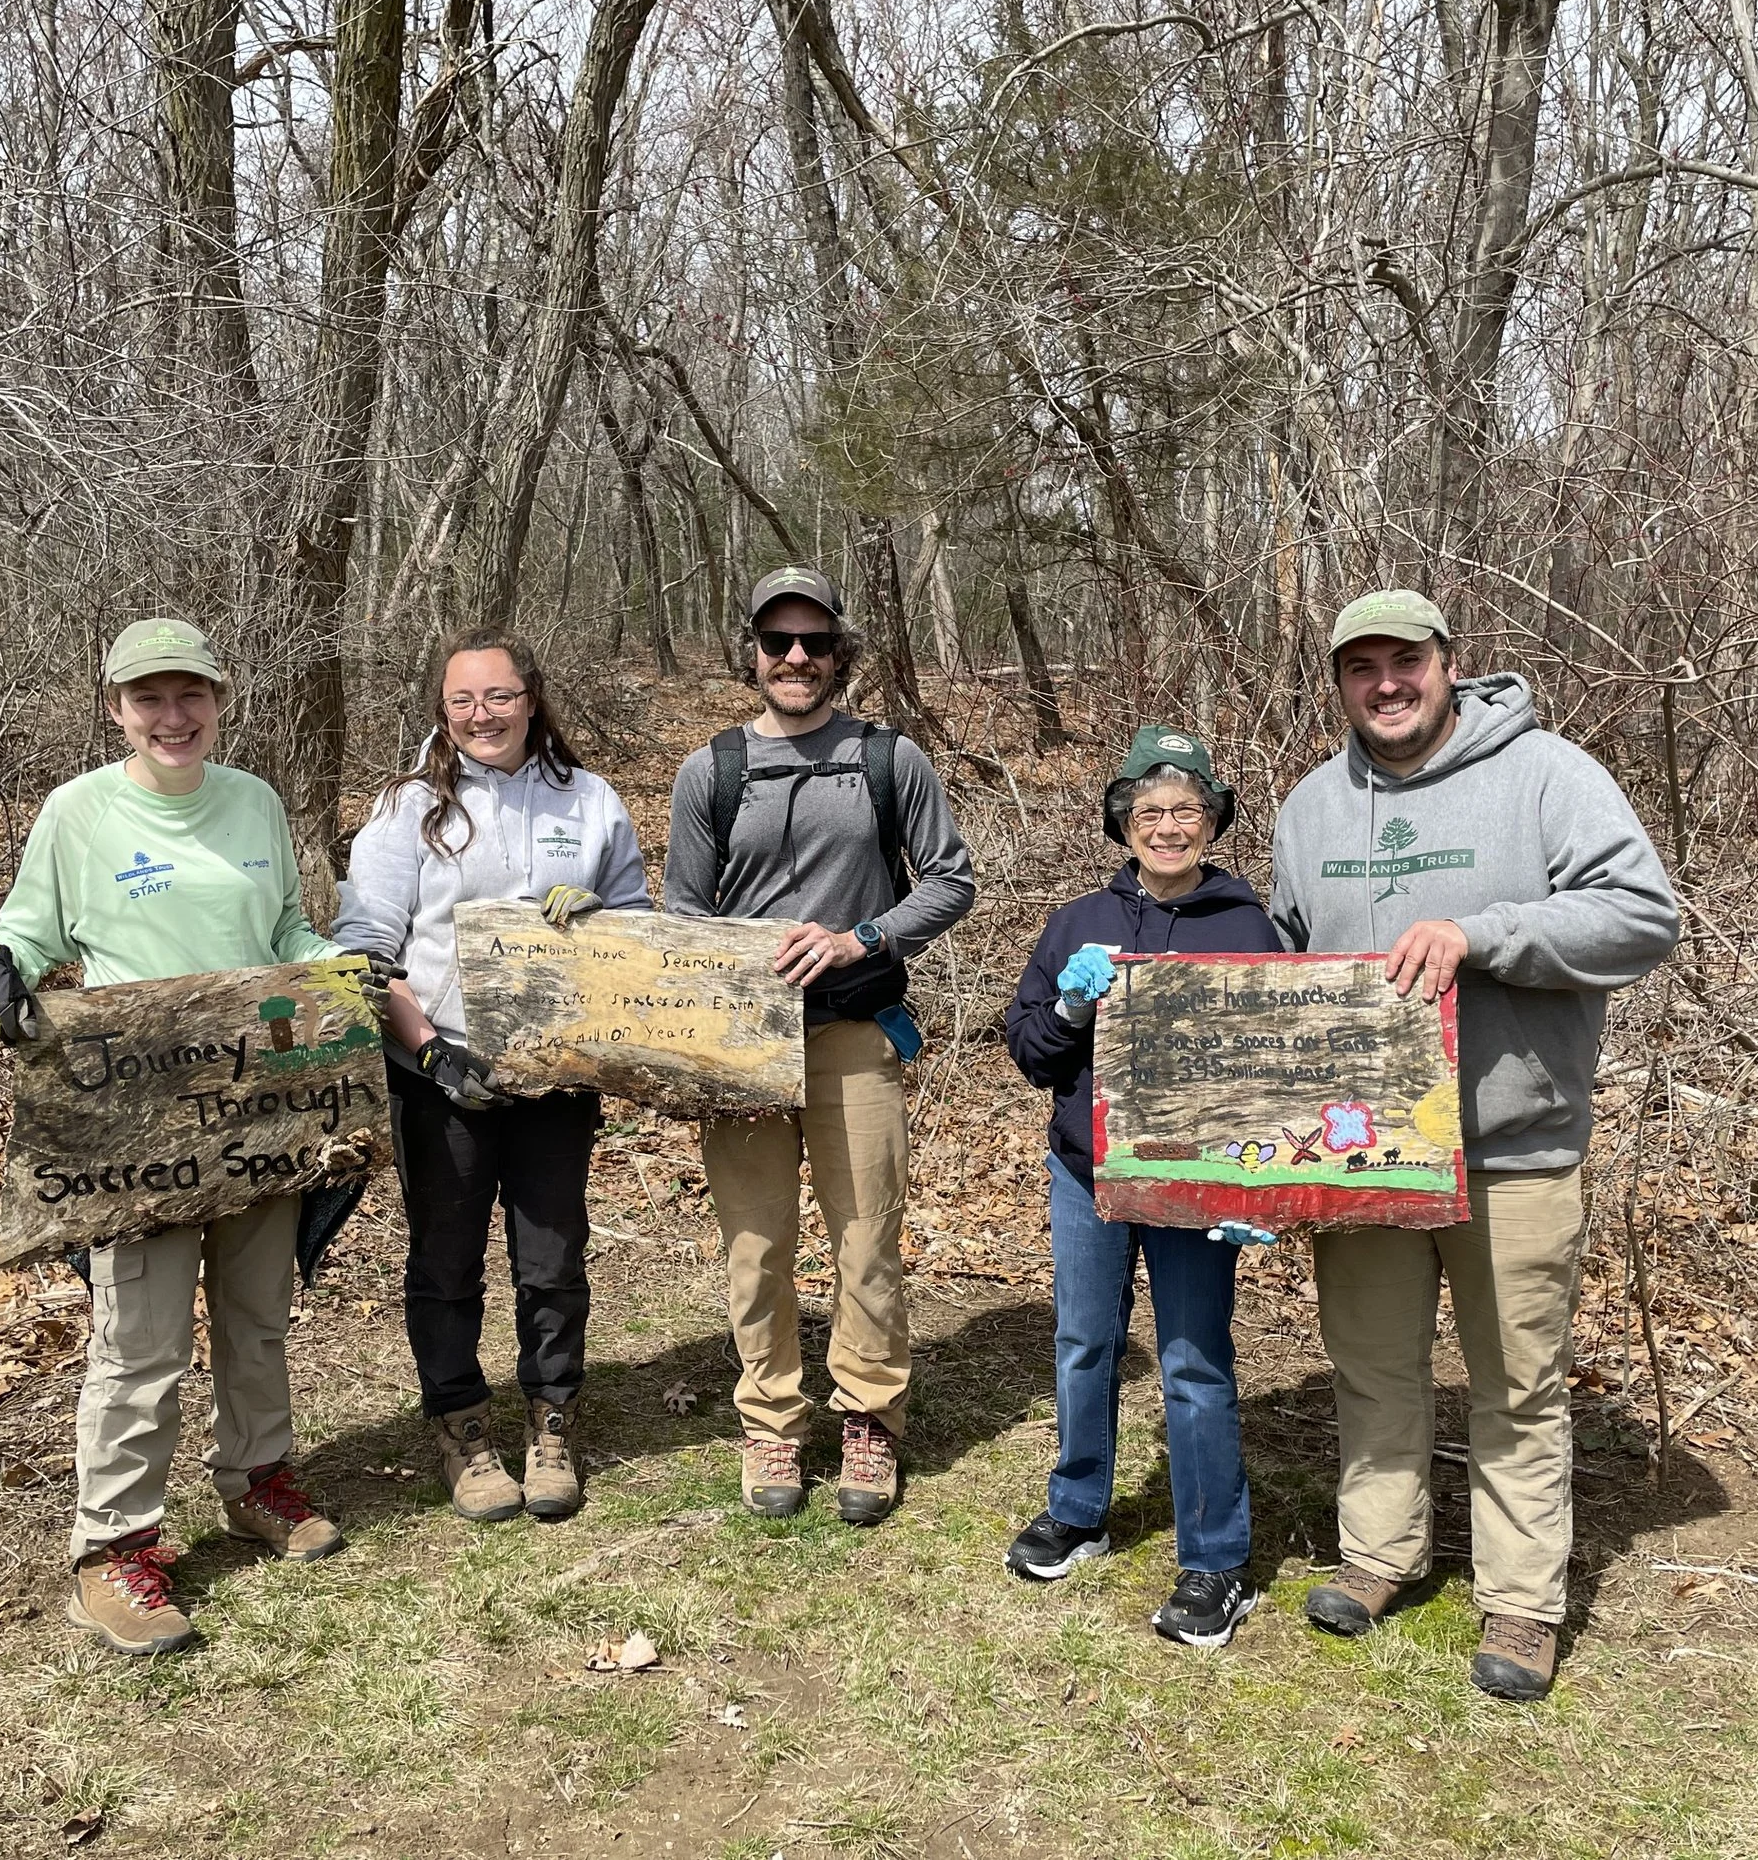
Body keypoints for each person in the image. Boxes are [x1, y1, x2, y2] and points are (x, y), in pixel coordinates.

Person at [1267, 589, 1679, 1702]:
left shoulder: (1546, 775)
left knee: (1518, 1383)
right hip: (1365, 1153)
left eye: (1405, 660)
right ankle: (1379, 1553)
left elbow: (1643, 915)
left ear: (1448, 664)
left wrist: (1484, 935)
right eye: (1361, 667)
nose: (1385, 684)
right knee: (1372, 1364)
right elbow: (1287, 970)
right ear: (1339, 683)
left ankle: (1521, 1601)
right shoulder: (1311, 808)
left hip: (1513, 1145)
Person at [0, 617, 365, 1657]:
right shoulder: (79, 812)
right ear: (116, 709)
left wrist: (338, 966)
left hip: (259, 1111)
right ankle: (112, 1549)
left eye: (191, 695)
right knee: (140, 1343)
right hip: (136, 1129)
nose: (172, 717)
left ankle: (257, 1481)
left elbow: (283, 932)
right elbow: (27, 932)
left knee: (256, 1316)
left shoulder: (255, 801)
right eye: (149, 698)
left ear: (219, 700)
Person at [664, 565, 976, 1523]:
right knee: (755, 1245)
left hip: (855, 1033)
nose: (796, 657)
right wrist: (715, 1024)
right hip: (744, 1050)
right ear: (753, 653)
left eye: (815, 641)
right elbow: (683, 914)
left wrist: (861, 938)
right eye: (778, 641)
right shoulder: (711, 770)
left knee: (866, 1236)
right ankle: (769, 1420)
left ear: (841, 653)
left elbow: (950, 880)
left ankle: (869, 1416)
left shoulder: (889, 758)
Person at [335, 628, 650, 1523]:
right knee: (447, 1260)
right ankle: (462, 1426)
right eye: (463, 700)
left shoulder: (588, 799)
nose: (482, 715)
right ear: (443, 711)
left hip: (556, 1070)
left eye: (499, 696)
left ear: (531, 699)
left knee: (552, 1258)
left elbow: (637, 928)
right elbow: (366, 949)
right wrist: (431, 1047)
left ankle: (553, 1419)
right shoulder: (407, 807)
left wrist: (602, 916)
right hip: (441, 1070)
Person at [999, 728, 1282, 1647]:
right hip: (1086, 1171)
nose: (1166, 826)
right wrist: (1070, 1007)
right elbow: (1030, 1050)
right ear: (1123, 821)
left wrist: (1259, 1188)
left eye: (1185, 809)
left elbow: (1279, 1070)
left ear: (1212, 820)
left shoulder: (1248, 927)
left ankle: (1215, 1558)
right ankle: (1077, 1509)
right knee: (1085, 1343)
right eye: (1149, 810)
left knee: (1194, 1359)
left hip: (1196, 1185)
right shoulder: (1077, 921)